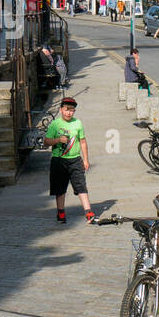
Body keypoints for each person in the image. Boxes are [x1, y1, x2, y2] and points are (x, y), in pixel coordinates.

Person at [43, 96, 95, 224]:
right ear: (61, 110)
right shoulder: (55, 124)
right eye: (67, 110)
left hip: (75, 160)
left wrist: (86, 160)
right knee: (60, 189)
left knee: (81, 185)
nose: (69, 113)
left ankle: (88, 212)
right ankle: (61, 213)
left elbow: (82, 141)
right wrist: (58, 140)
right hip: (58, 161)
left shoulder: (77, 123)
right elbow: (46, 142)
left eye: (72, 110)